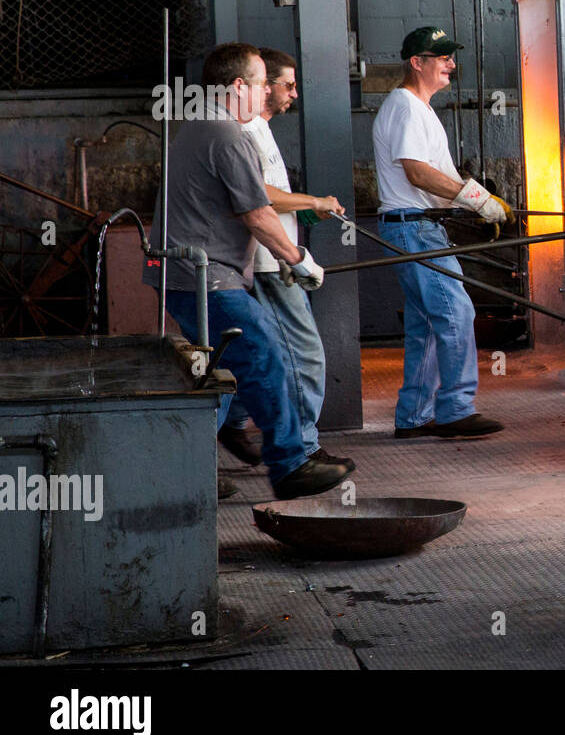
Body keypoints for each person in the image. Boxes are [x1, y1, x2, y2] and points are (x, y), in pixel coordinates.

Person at [147, 42, 353, 499]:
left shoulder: (199, 127)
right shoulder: (229, 135)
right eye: (263, 84)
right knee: (266, 355)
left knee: (224, 370)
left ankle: (187, 466)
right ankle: (291, 464)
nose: (267, 95)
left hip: (187, 277)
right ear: (239, 86)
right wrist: (299, 261)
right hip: (208, 278)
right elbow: (257, 213)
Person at [218, 47, 353, 472]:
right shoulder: (243, 130)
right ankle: (304, 448)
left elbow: (268, 196)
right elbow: (256, 196)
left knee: (260, 352)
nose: (294, 93)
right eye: (285, 85)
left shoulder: (258, 127)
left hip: (272, 260)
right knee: (304, 354)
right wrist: (309, 208)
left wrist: (305, 209)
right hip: (267, 263)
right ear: (258, 85)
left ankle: (233, 420)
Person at [371, 25, 507, 439]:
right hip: (414, 227)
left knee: (428, 324)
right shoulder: (406, 106)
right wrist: (477, 200)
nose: (451, 63)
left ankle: (413, 417)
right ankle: (455, 410)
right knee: (456, 313)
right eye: (442, 57)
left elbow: (439, 173)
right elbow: (417, 171)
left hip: (418, 226)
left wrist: (480, 198)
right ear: (417, 62)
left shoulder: (420, 108)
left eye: (451, 56)